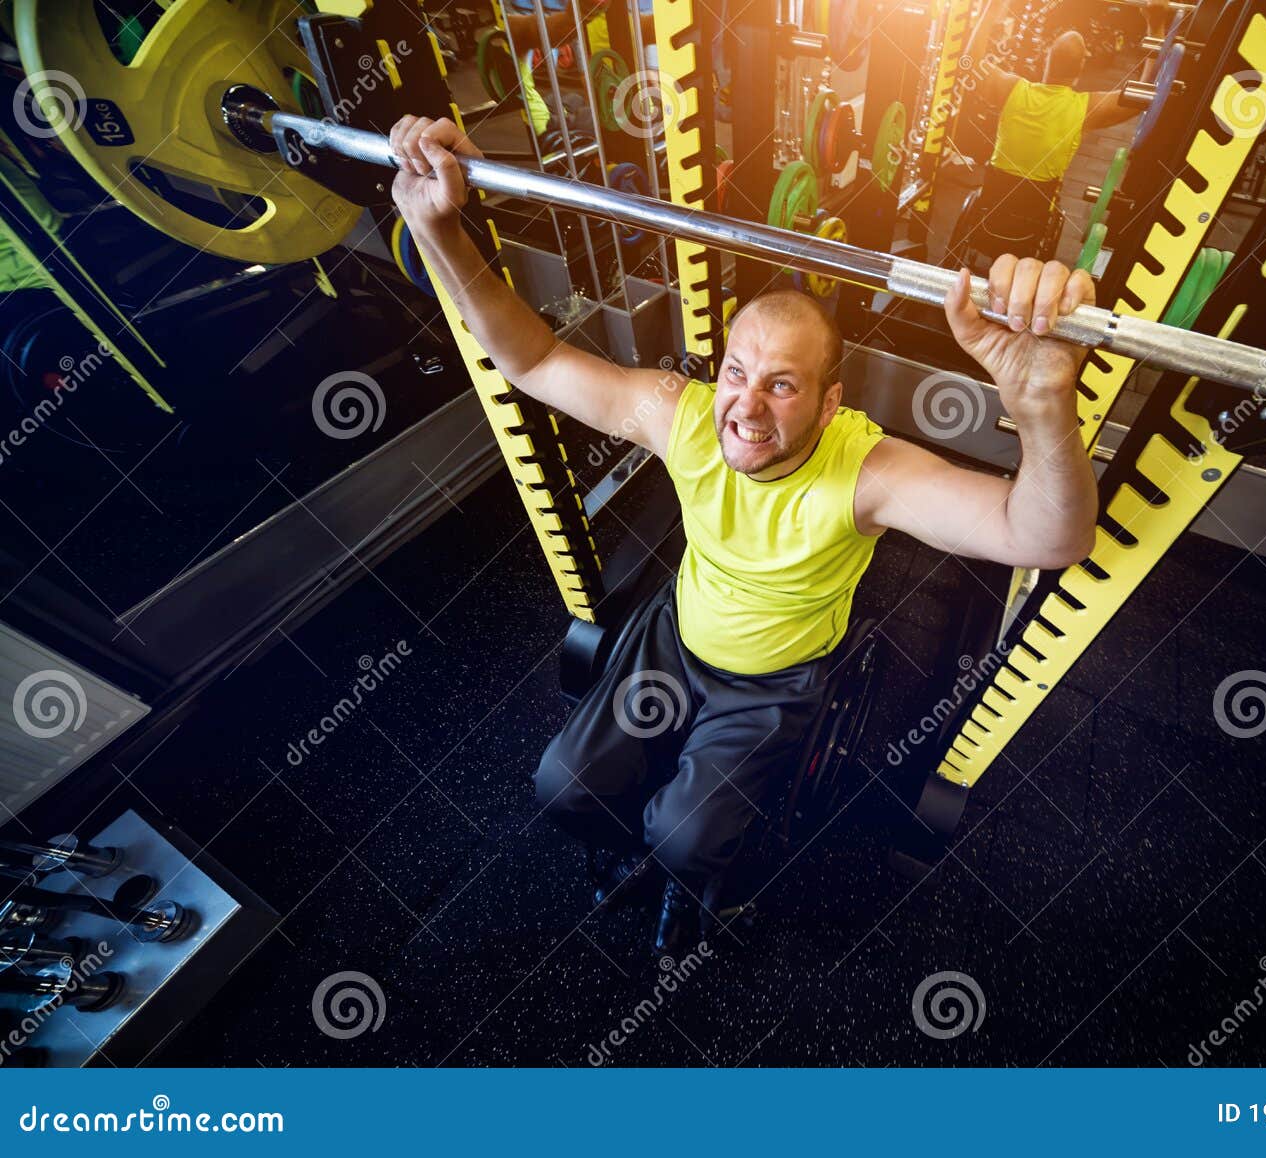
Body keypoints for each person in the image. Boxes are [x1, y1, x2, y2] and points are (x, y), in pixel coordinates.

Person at [387, 114, 1100, 956]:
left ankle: (690, 884)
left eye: (783, 385)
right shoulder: (682, 416)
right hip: (675, 640)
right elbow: (533, 362)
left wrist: (1042, 403)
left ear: (830, 404)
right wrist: (439, 233)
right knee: (564, 786)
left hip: (774, 681)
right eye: (736, 372)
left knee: (686, 838)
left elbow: (1043, 537)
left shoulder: (867, 471)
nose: (746, 407)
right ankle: (644, 853)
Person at [953, 1, 1173, 262]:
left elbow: (968, 64)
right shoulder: (1085, 108)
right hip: (1029, 229)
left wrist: (991, 9)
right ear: (1080, 69)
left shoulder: (1012, 90)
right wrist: (1155, 25)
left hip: (990, 217)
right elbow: (1144, 94)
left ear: (1047, 58)